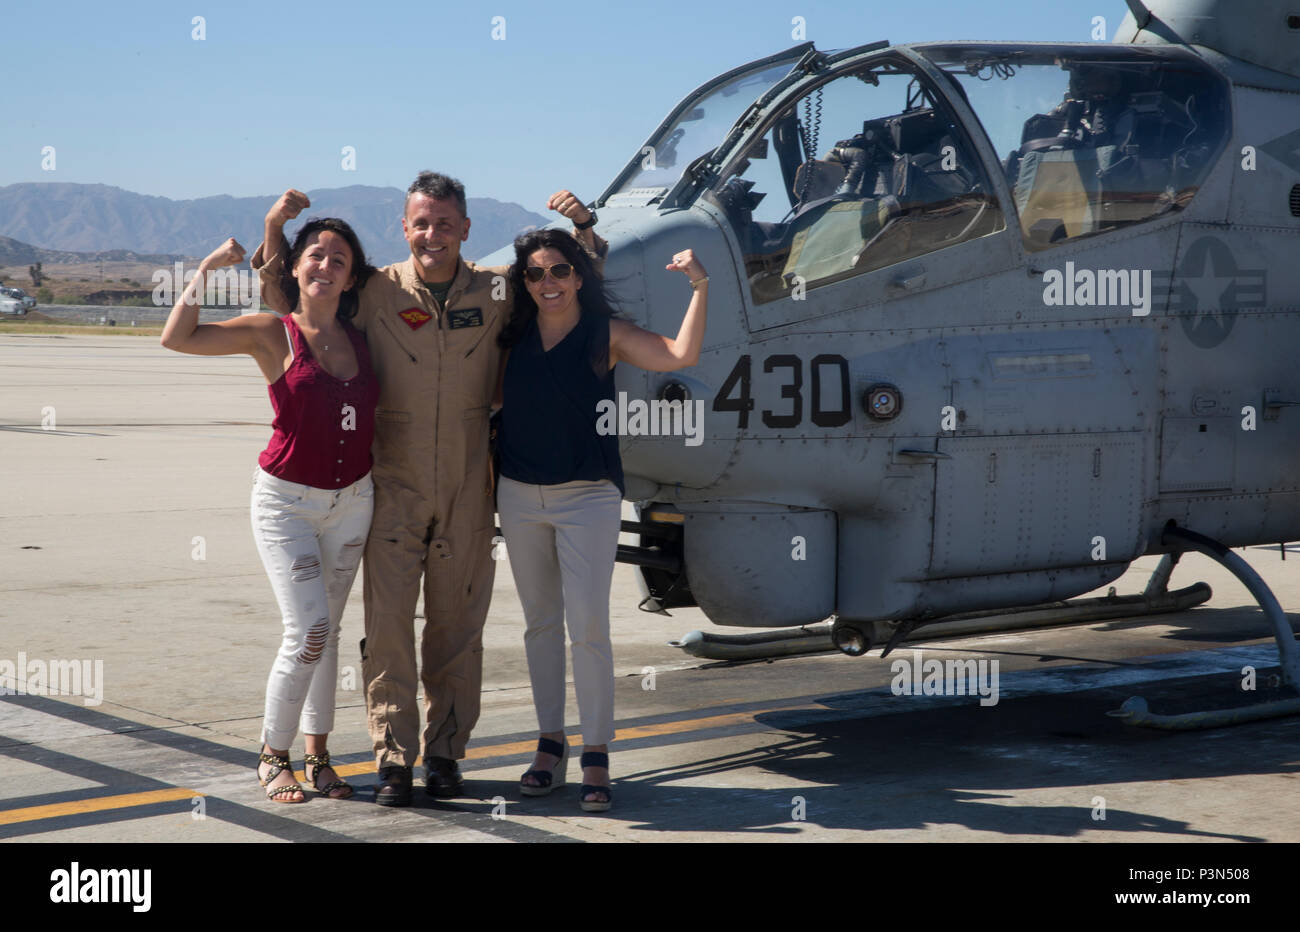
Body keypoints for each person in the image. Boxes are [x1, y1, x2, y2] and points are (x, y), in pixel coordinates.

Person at [252, 174, 604, 805]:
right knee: (387, 627)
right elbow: (291, 294)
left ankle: (444, 753)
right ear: (403, 227)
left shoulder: (499, 288)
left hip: (471, 481)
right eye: (420, 222)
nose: (432, 234)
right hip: (392, 482)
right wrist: (275, 229)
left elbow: (574, 284)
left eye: (445, 223)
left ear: (466, 229)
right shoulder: (374, 289)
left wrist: (584, 226)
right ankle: (393, 758)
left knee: (457, 624)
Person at [160, 220, 379, 803]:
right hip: (286, 504)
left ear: (351, 275)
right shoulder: (272, 333)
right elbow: (177, 339)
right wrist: (206, 270)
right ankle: (271, 755)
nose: (325, 266)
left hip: (354, 500)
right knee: (308, 629)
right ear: (296, 268)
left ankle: (318, 758)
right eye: (315, 255)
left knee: (329, 635)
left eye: (338, 259)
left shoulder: (363, 338)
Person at [496, 229, 708, 811]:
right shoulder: (510, 334)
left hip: (586, 497)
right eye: (535, 274)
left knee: (587, 628)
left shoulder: (602, 334)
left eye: (560, 271)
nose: (549, 283)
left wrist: (700, 285)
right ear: (524, 282)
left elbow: (680, 355)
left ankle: (596, 753)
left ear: (579, 275)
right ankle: (548, 745)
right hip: (517, 494)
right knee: (540, 625)